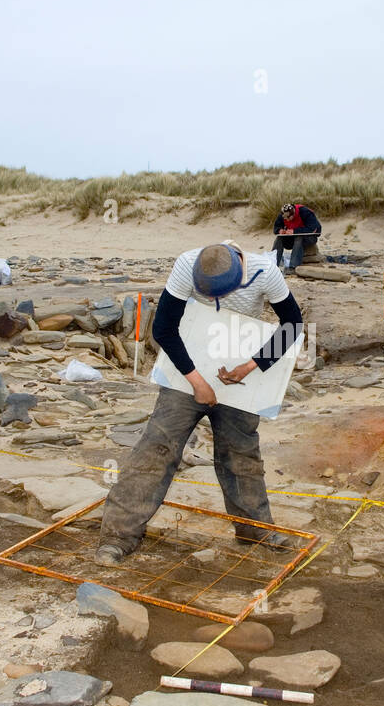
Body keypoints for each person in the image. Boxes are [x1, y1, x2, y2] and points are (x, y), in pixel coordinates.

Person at [94, 241, 304, 566]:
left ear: (240, 274)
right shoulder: (187, 264)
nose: (216, 300)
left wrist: (252, 365)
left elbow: (293, 324)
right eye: (209, 295)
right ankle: (118, 537)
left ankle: (255, 530)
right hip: (188, 362)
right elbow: (163, 329)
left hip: (239, 363)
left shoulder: (266, 271)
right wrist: (197, 382)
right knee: (157, 447)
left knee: (241, 453)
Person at [271, 203, 321, 274]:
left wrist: (295, 231)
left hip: (310, 237)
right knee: (279, 238)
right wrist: (280, 230)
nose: (286, 220)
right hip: (293, 237)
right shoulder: (283, 215)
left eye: (288, 217)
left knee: (299, 237)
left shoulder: (305, 212)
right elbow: (276, 227)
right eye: (284, 218)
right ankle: (272, 265)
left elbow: (312, 229)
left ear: (293, 214)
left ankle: (293, 267)